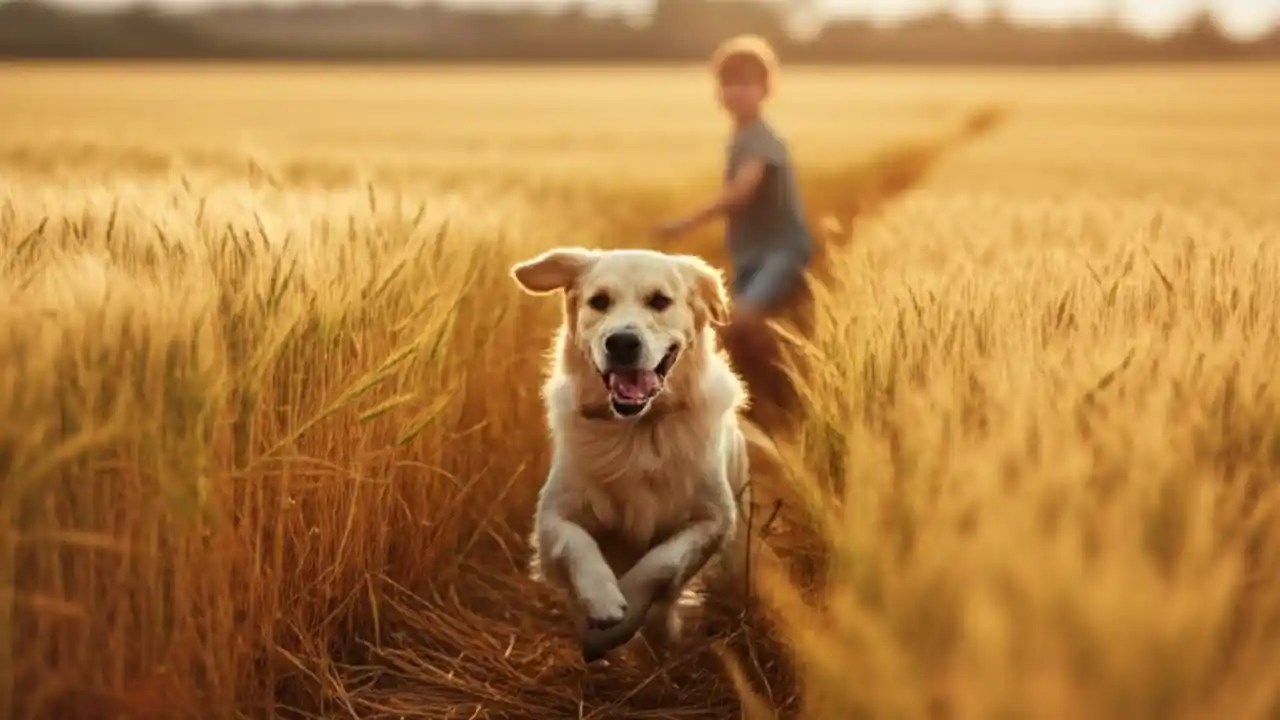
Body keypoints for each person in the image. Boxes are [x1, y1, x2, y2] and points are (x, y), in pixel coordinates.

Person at [655, 34, 812, 344]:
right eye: (727, 83)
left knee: (743, 319)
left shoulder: (762, 138)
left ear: (766, 89)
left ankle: (788, 378)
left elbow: (741, 193)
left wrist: (684, 223)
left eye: (745, 84)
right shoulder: (740, 136)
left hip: (780, 251)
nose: (735, 92)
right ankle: (772, 377)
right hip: (748, 251)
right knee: (737, 328)